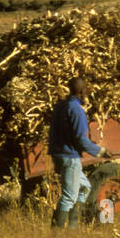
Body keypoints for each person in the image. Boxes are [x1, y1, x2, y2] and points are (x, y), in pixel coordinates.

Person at [47, 76, 108, 228]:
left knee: (85, 187)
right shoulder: (77, 111)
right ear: (82, 91)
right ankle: (57, 235)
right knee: (69, 197)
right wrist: (101, 152)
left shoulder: (60, 106)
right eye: (86, 89)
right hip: (70, 157)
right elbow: (81, 140)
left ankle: (73, 228)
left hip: (58, 154)